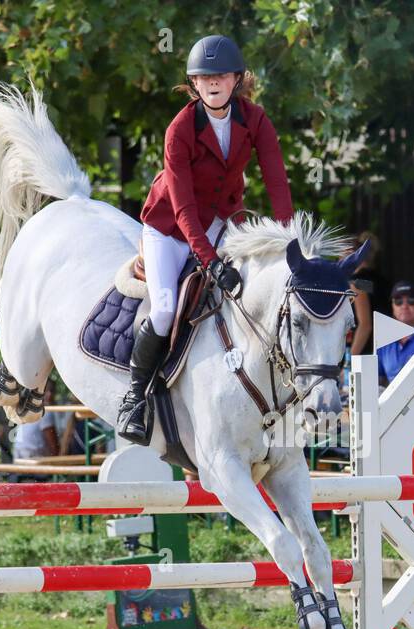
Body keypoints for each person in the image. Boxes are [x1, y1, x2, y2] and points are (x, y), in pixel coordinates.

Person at [119, 34, 294, 445]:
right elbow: (182, 209)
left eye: (220, 75)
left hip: (220, 218)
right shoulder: (179, 130)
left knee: (243, 294)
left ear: (236, 79)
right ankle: (135, 398)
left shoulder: (256, 120)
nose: (212, 82)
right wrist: (210, 260)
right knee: (163, 311)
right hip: (169, 229)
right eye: (204, 76)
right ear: (193, 84)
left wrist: (290, 243)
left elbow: (276, 182)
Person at [349, 231, 388, 356]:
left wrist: (350, 360)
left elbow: (365, 324)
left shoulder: (356, 283)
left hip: (365, 349)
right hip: (385, 344)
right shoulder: (380, 279)